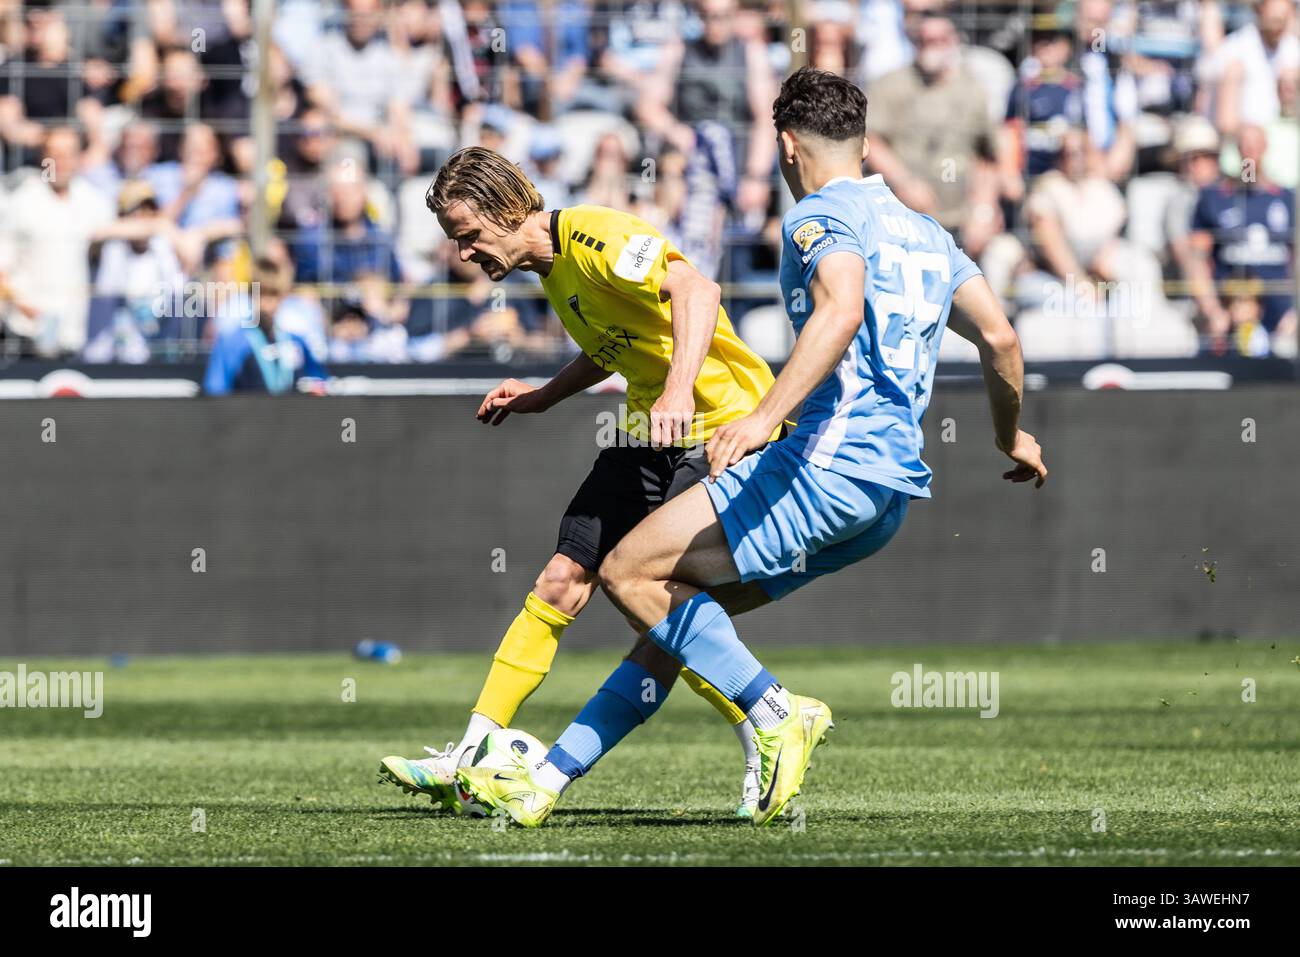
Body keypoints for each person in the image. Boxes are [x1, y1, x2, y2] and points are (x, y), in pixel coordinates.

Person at [458, 67, 1048, 828]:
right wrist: (1011, 436)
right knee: (681, 620)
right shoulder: (930, 233)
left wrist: (767, 414)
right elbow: (999, 337)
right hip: (888, 496)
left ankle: (776, 712)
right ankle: (546, 776)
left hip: (824, 463)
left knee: (629, 572)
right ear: (866, 145)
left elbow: (840, 307)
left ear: (786, 146)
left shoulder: (814, 219)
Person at [379, 146, 786, 817]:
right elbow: (611, 346)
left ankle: (763, 723)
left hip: (722, 430)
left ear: (508, 210)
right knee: (561, 579)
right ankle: (473, 749)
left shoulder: (599, 236)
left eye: (469, 235)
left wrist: (679, 390)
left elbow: (697, 290)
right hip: (651, 434)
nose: (464, 253)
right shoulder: (551, 272)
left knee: (653, 605)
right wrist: (542, 395)